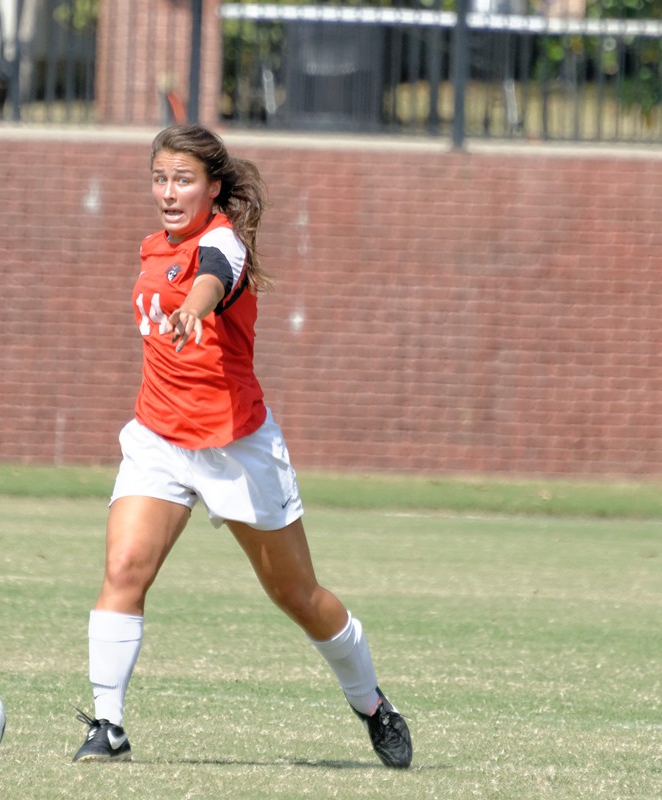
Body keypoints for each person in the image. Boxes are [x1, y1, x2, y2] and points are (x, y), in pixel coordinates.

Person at [73, 124, 412, 768]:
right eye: (159, 178)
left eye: (183, 179)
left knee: (296, 595)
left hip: (236, 445)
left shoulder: (222, 241)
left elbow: (214, 274)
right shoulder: (151, 248)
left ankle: (371, 703)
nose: (168, 192)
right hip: (159, 439)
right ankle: (108, 725)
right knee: (123, 571)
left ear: (214, 187)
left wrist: (197, 307)